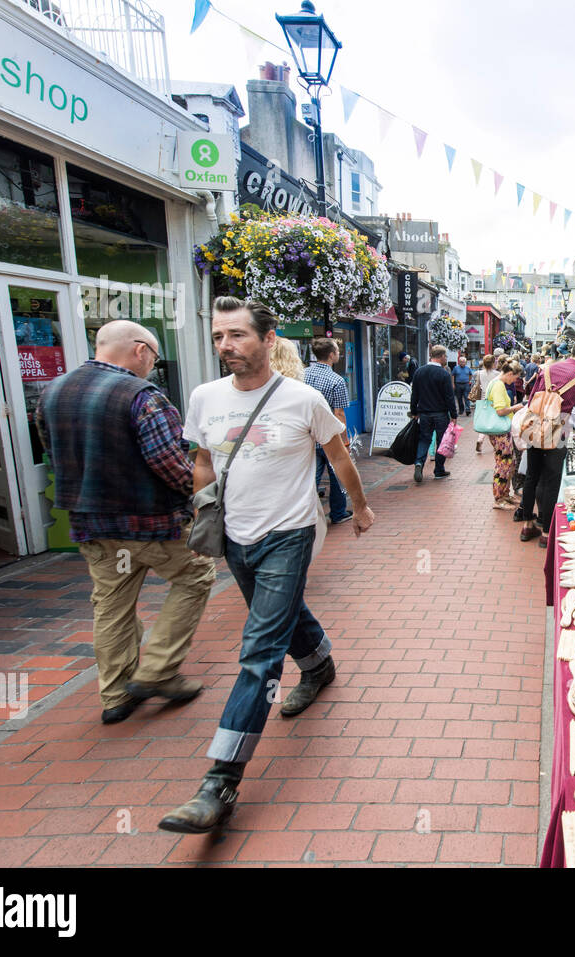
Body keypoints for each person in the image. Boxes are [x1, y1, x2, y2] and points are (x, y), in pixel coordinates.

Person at [159, 297, 375, 833]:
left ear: (268, 339)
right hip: (235, 534)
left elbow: (338, 455)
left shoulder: (303, 399)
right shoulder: (204, 397)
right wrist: (203, 511)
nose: (226, 346)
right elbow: (204, 458)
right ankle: (320, 664)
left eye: (237, 335)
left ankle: (220, 781)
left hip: (290, 533)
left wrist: (362, 505)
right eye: (217, 337)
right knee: (279, 618)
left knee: (259, 652)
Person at [36, 320, 215, 725]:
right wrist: (202, 496)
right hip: (151, 523)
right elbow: (169, 464)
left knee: (112, 605)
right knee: (196, 576)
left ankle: (116, 695)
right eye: (152, 354)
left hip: (93, 525)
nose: (153, 363)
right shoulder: (143, 396)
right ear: (139, 350)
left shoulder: (53, 392)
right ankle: (158, 670)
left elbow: (52, 451)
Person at [516, 342, 575, 546]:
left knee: (532, 476)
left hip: (534, 426)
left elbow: (531, 399)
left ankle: (527, 525)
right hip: (557, 432)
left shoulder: (547, 369)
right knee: (551, 481)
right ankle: (547, 533)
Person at [304, 337, 352, 525]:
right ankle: (338, 513)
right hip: (329, 438)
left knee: (311, 477)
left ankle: (306, 517)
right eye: (337, 351)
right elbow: (339, 413)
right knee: (336, 475)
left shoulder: (302, 375)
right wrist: (345, 441)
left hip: (308, 435)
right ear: (331, 355)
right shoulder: (336, 380)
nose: (339, 354)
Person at [410, 344, 457, 483]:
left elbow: (415, 394)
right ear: (441, 356)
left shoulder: (419, 371)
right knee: (441, 442)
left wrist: (414, 411)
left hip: (424, 413)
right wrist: (453, 415)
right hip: (440, 414)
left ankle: (419, 463)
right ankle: (439, 470)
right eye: (445, 356)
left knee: (424, 439)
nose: (446, 359)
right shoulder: (443, 373)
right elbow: (449, 396)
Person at [486, 361, 526, 509]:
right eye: (515, 378)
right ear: (510, 373)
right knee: (503, 464)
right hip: (499, 431)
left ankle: (505, 495)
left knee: (509, 462)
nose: (514, 381)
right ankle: (499, 498)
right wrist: (516, 407)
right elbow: (500, 410)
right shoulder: (498, 385)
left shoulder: (496, 383)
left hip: (502, 430)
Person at [475, 355, 500, 453]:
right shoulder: (497, 374)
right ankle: (495, 444)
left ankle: (480, 439)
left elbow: (477, 385)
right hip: (494, 400)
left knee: (485, 422)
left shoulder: (479, 373)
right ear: (493, 363)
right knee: (493, 423)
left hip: (483, 400)